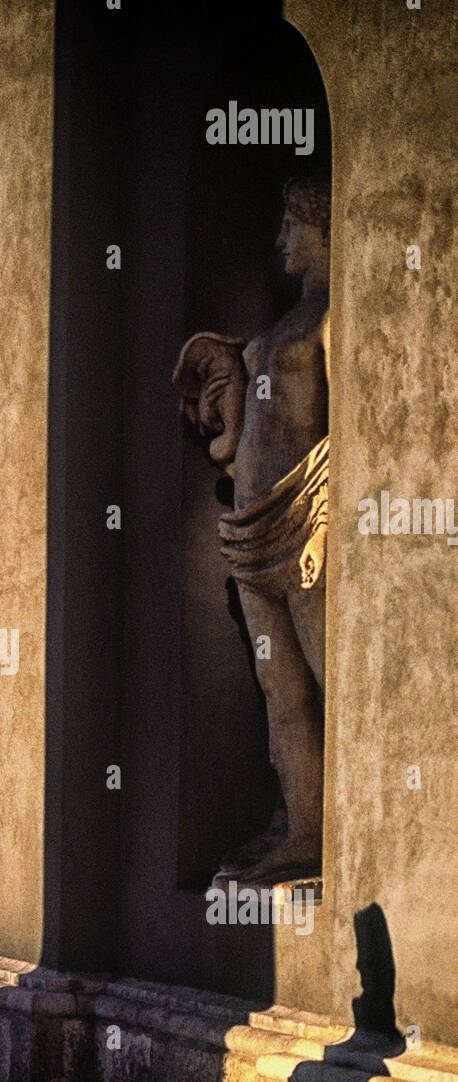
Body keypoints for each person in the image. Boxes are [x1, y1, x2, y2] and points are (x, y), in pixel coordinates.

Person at [175, 176, 331, 885]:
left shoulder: (332, 316)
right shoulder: (280, 327)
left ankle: (341, 831)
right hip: (256, 527)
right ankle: (301, 829)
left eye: (291, 225)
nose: (279, 241)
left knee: (332, 678)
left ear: (322, 226)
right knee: (280, 686)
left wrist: (327, 503)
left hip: (307, 520)